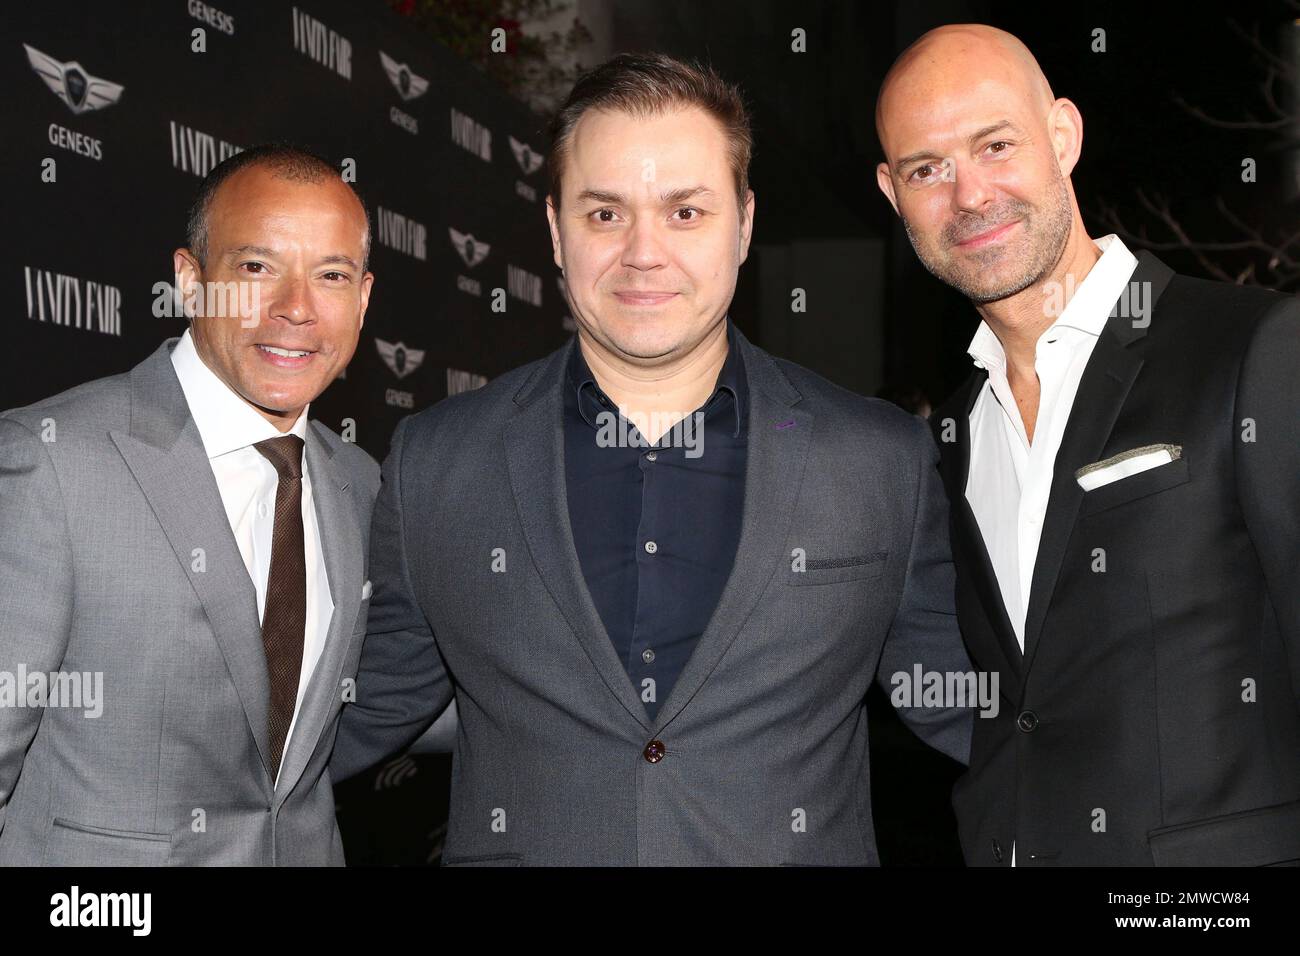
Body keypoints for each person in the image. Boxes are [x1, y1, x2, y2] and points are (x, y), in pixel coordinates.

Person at [330, 52, 973, 866]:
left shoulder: (880, 459)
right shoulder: (440, 460)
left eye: (684, 213)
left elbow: (970, 712)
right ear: (557, 232)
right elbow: (358, 711)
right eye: (605, 215)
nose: (642, 254)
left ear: (742, 226)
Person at [875, 24, 1300, 865]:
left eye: (995, 145)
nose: (969, 196)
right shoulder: (955, 433)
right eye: (929, 169)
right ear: (893, 195)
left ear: (1062, 136)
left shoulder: (1254, 348)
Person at [0, 145, 379, 865]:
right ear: (190, 280)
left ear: (362, 299)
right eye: (257, 268)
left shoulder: (358, 481)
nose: (296, 308)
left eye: (330, 276)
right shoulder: (50, 460)